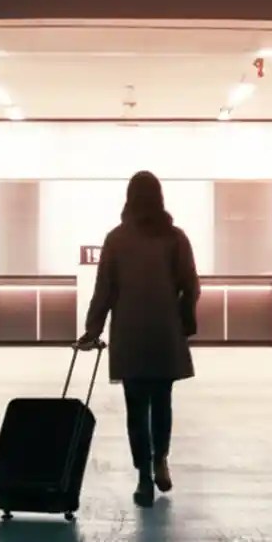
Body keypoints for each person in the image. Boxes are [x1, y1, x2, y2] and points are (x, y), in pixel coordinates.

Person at [77, 170, 201, 508]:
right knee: (162, 400)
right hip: (164, 330)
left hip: (130, 332)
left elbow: (104, 289)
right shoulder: (175, 237)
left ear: (129, 199)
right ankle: (161, 459)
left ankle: (144, 477)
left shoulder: (116, 239)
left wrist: (92, 330)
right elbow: (190, 285)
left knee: (136, 408)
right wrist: (185, 323)